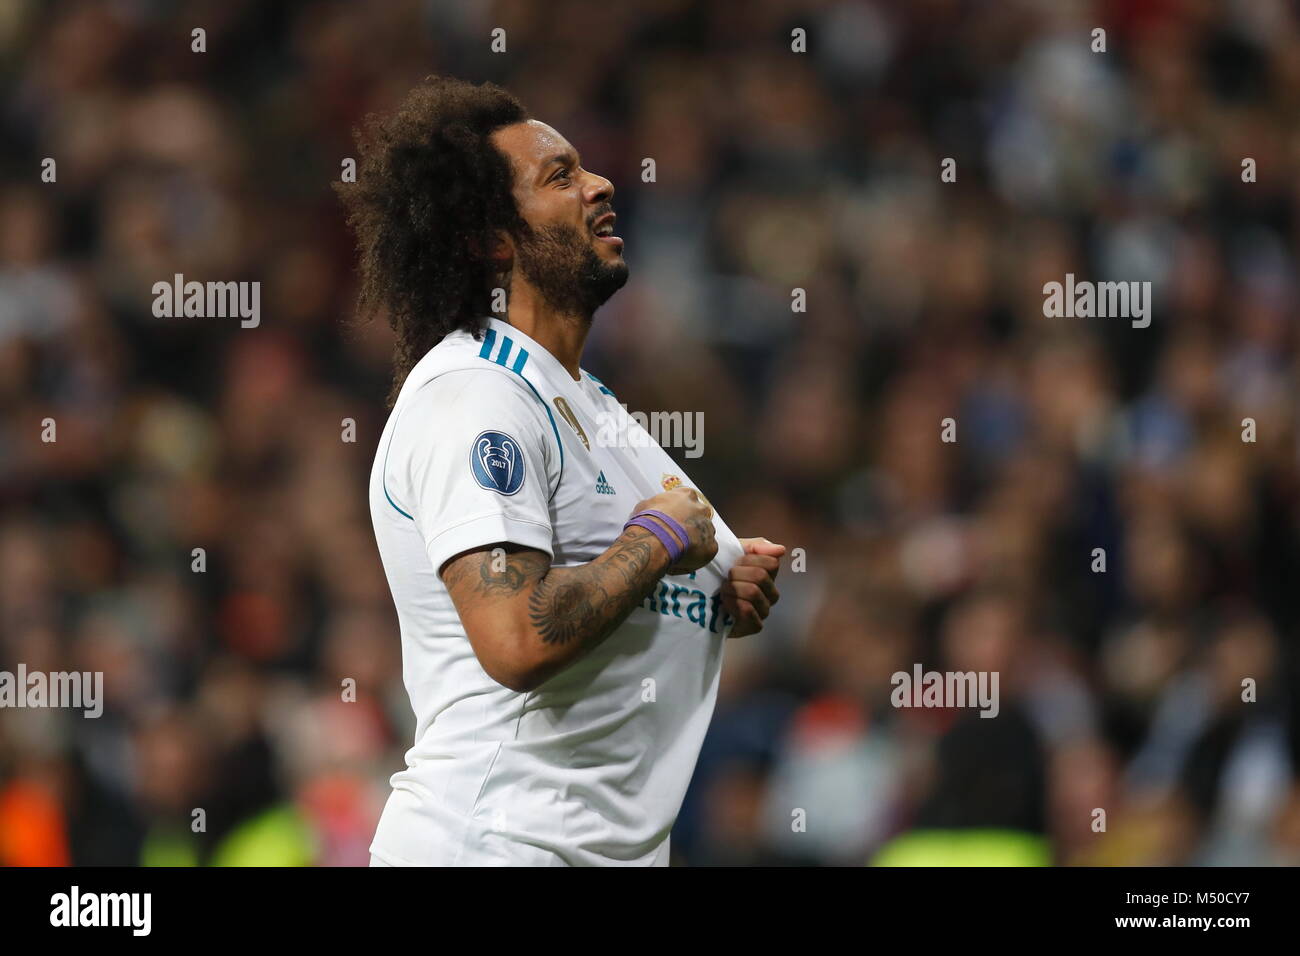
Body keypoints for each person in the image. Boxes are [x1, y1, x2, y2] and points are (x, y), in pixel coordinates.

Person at [337, 75, 784, 866]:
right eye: (560, 176)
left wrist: (722, 586)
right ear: (490, 239)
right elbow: (516, 636)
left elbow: (653, 562)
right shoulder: (474, 396)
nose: (600, 184)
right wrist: (654, 543)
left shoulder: (589, 404)